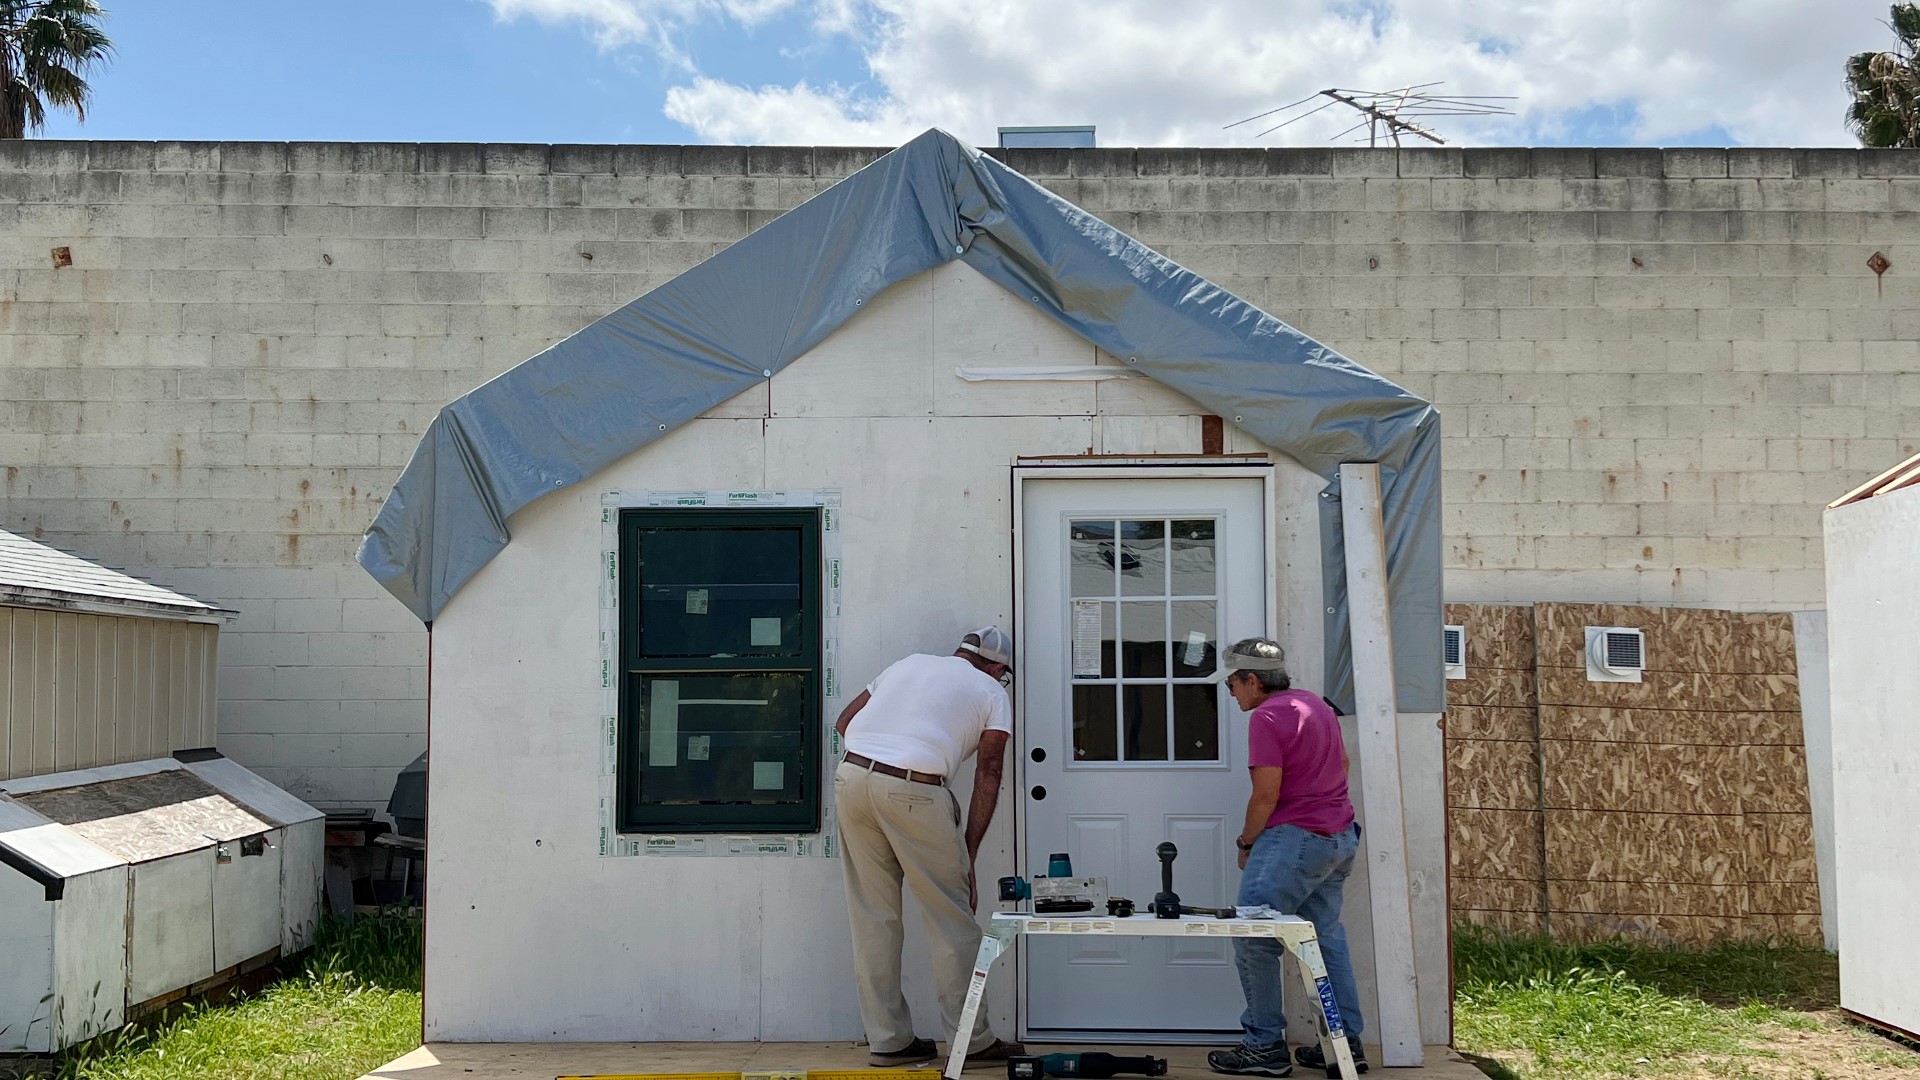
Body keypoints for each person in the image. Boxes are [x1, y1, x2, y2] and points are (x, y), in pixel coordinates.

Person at [833, 627, 1026, 1069]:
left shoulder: (908, 663)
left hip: (852, 779)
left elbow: (845, 722)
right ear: (997, 668)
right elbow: (990, 769)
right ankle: (972, 1041)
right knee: (951, 917)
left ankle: (888, 1040)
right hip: (915, 790)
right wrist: (969, 856)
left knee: (873, 916)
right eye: (1004, 674)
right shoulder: (991, 692)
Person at [1207, 638, 1367, 1078]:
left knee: (1253, 938)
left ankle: (1263, 1048)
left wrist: (1246, 844)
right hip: (1337, 837)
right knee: (1325, 938)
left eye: (1232, 684)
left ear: (1252, 680)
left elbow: (1266, 795)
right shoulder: (1314, 705)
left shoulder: (1267, 716)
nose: (1232, 692)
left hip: (1293, 840)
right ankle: (1345, 1044)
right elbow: (1345, 764)